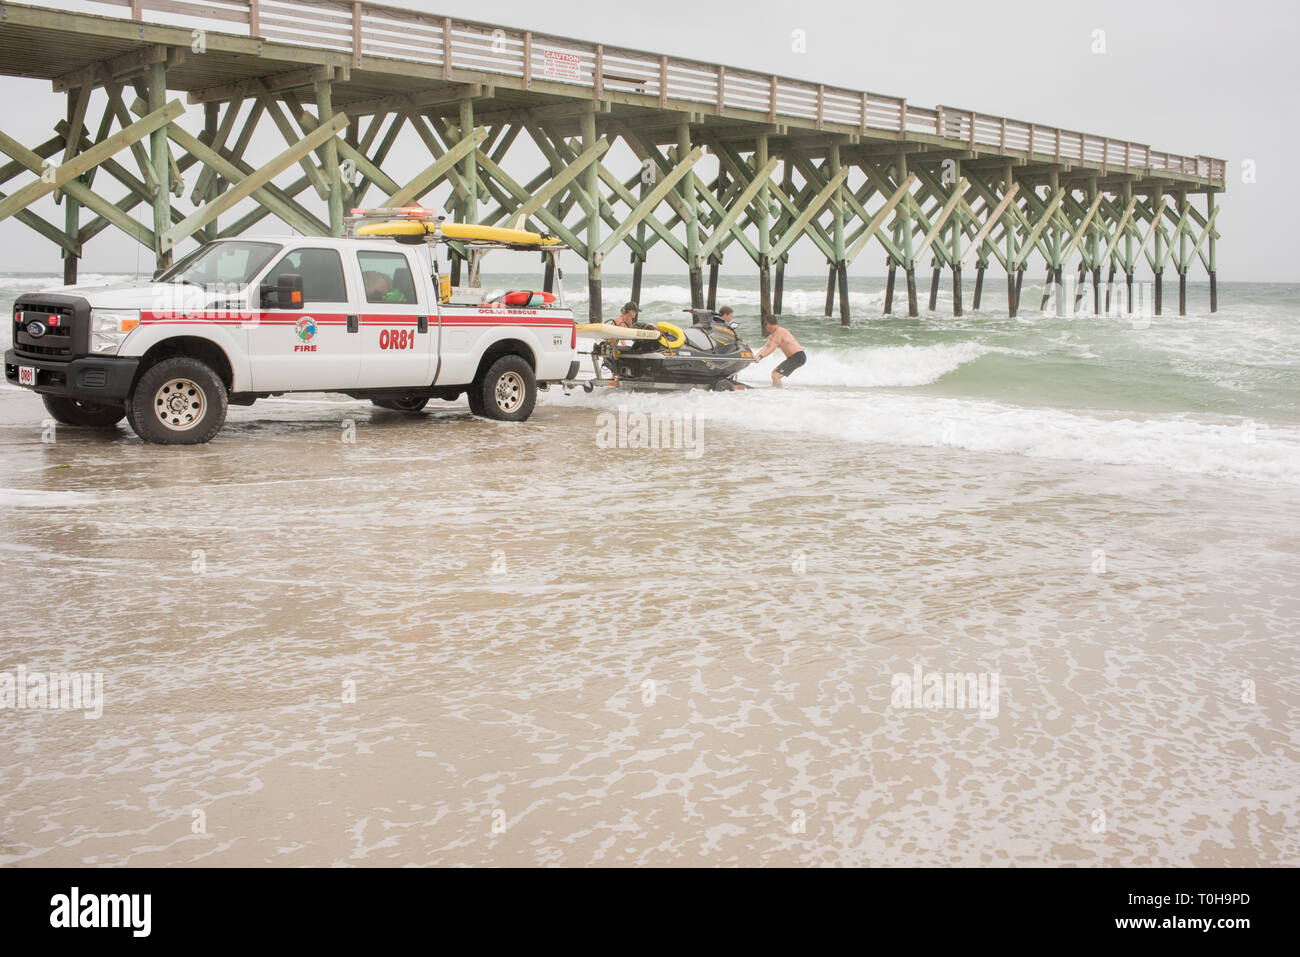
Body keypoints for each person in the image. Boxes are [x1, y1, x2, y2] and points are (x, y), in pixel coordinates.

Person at [752, 314, 806, 387]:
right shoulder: (772, 336)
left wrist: (760, 357)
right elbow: (766, 347)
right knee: (774, 373)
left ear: (767, 324)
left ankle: (778, 394)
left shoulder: (780, 331)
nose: (765, 326)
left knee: (776, 375)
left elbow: (772, 348)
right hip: (792, 358)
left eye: (765, 324)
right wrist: (756, 356)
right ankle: (777, 393)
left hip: (798, 356)